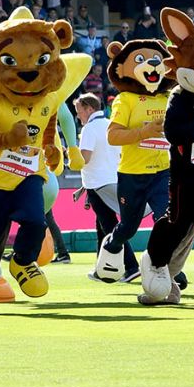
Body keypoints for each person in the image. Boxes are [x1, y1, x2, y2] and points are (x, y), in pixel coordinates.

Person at [71, 93, 119, 264]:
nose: (78, 116)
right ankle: (102, 263)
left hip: (97, 185)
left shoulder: (89, 129)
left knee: (109, 225)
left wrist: (69, 156)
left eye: (79, 111)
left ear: (89, 109)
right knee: (101, 224)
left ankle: (130, 265)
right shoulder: (110, 125)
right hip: (113, 181)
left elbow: (85, 159)